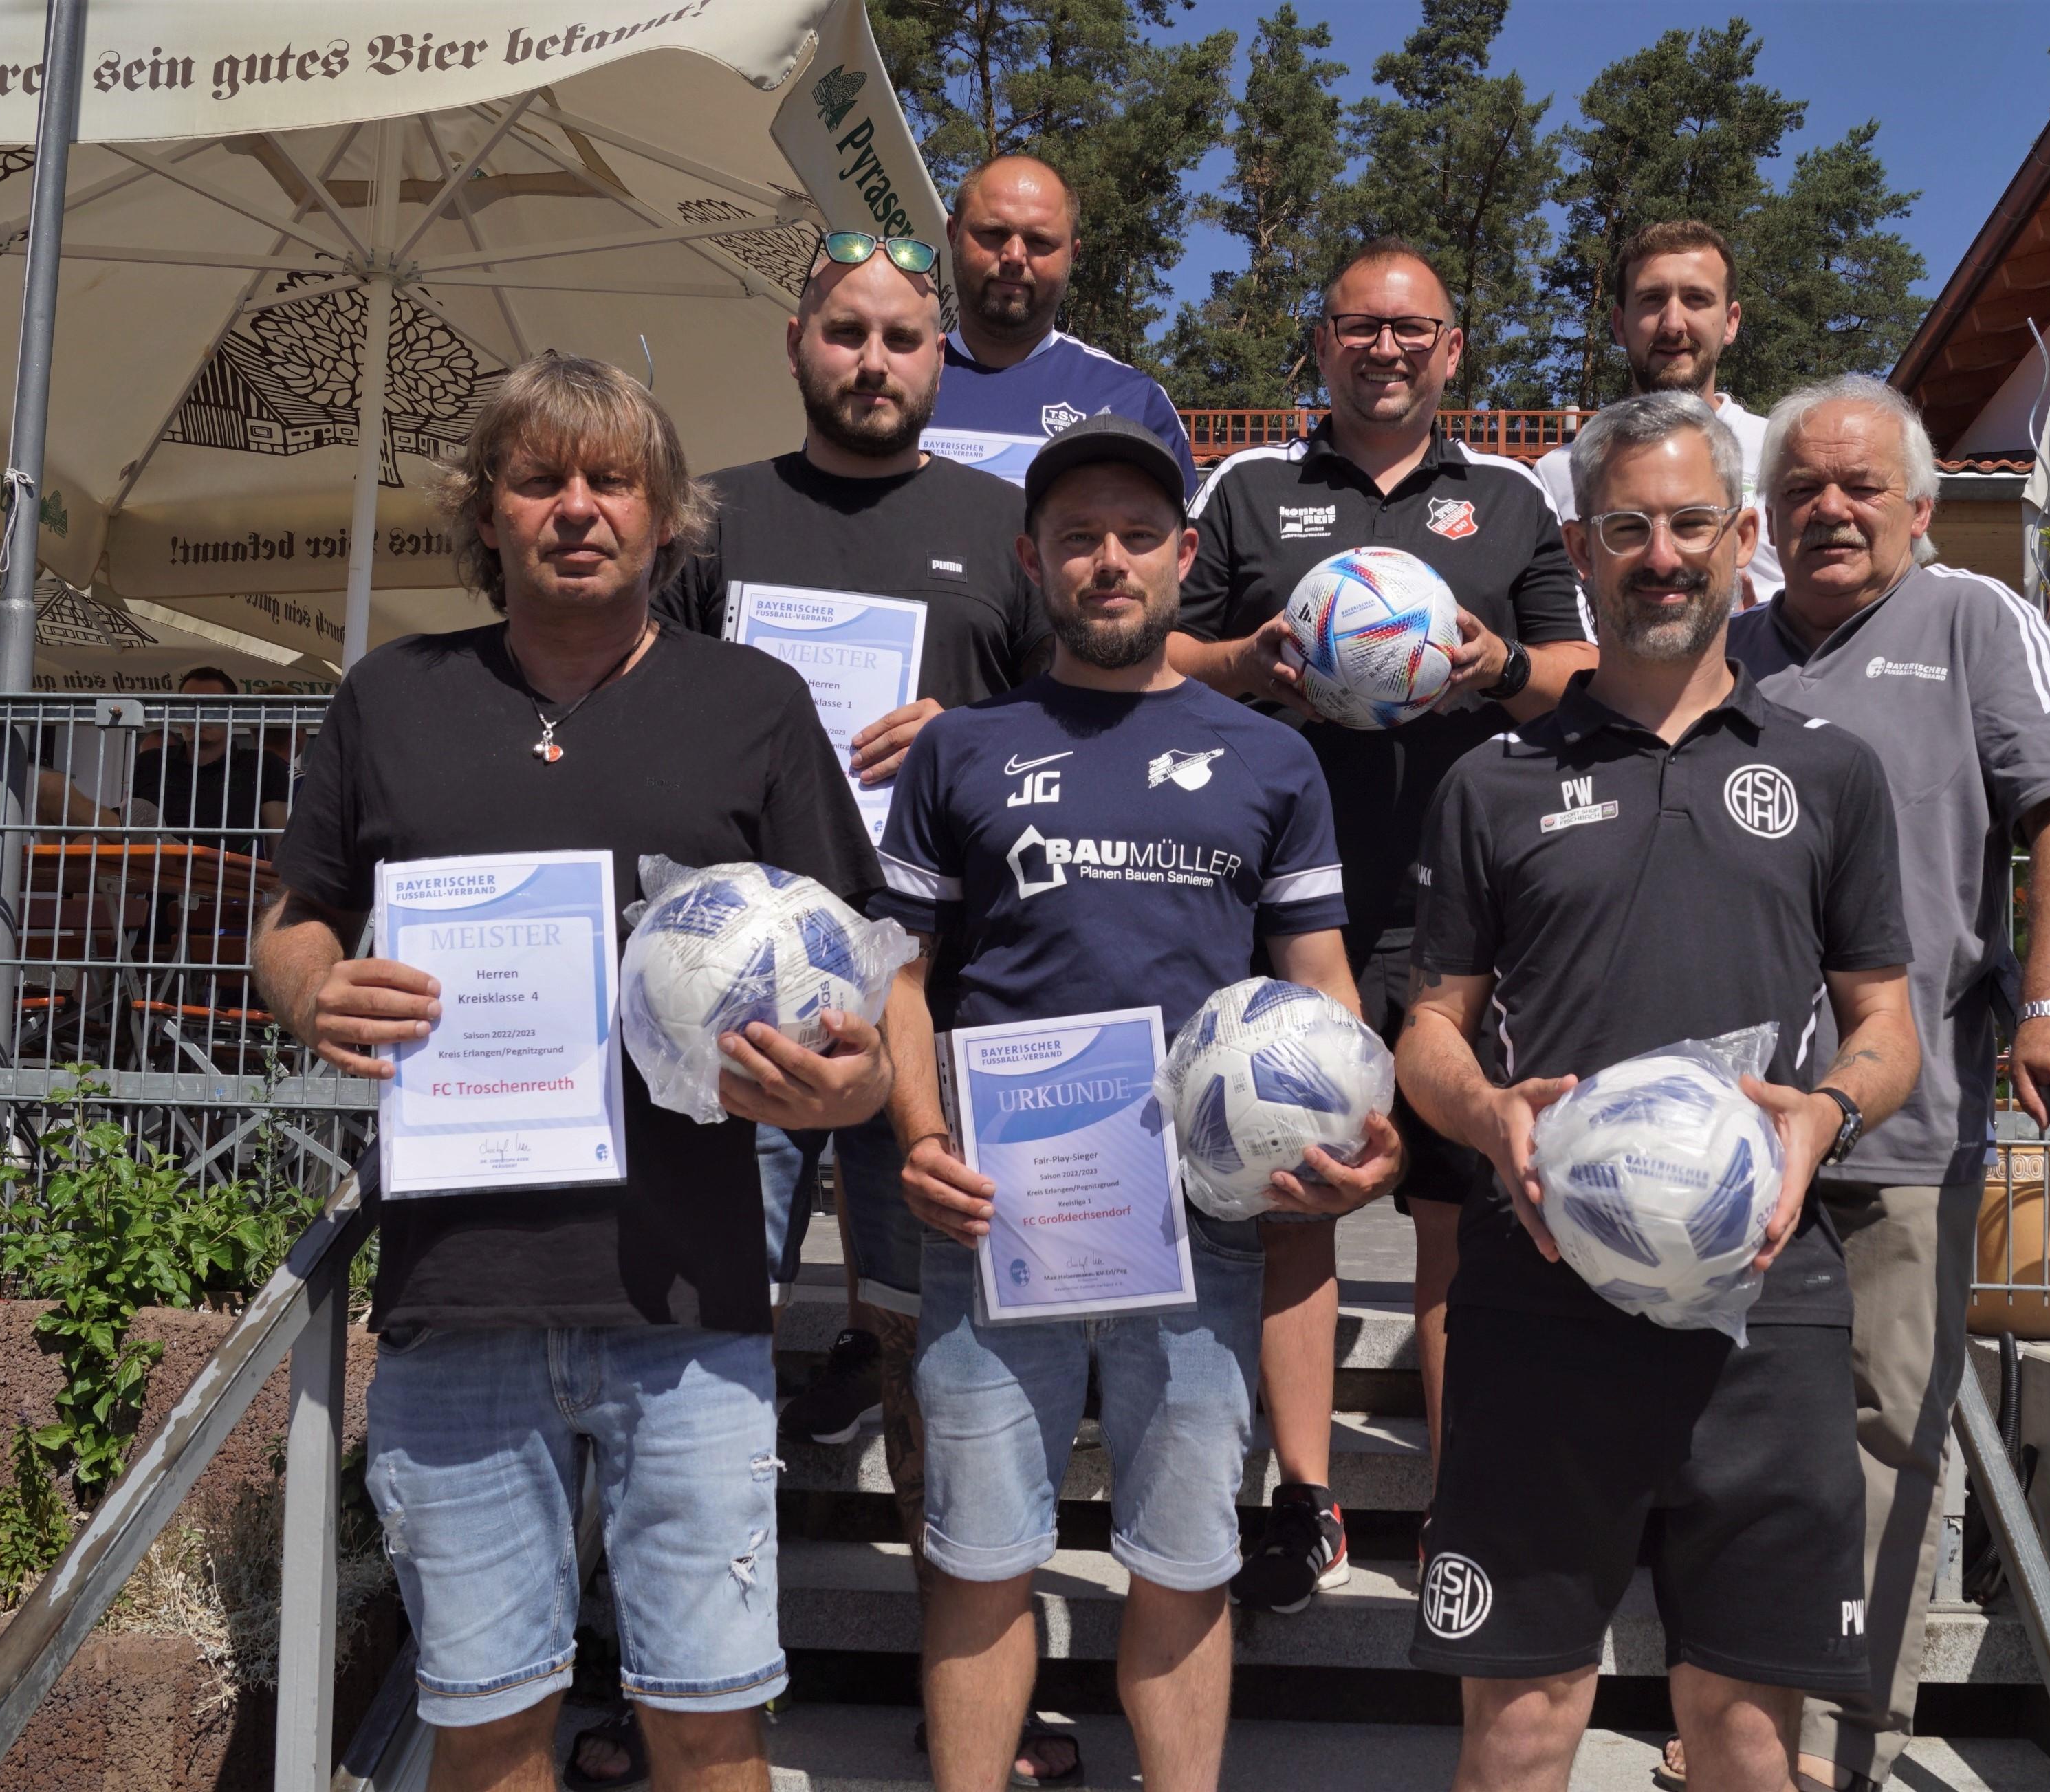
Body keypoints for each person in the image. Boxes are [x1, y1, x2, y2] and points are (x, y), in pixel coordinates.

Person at [252, 351, 892, 1792]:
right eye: (540, 479)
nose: (579, 507)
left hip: (688, 1295)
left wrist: (848, 1089)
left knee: (709, 1719)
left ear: (671, 517)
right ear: (485, 513)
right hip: (458, 1287)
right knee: (483, 1723)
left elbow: (859, 981)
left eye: (614, 480)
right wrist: (311, 989)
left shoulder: (754, 702)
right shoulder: (389, 697)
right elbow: (290, 919)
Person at [1396, 389, 1921, 1792]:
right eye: (1627, 526)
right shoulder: (1491, 782)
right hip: (1537, 1295)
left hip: (1764, 1300)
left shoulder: (1827, 773)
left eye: (1692, 522)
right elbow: (1427, 1033)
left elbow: (1885, 1024)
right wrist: (1485, 1111)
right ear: (1580, 545)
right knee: (1519, 1722)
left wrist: (1825, 1113)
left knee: (1747, 1734)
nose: (1662, 554)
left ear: (1741, 537)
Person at [881, 415, 1403, 1792]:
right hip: (1003, 1222)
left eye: (1133, 536)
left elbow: (1318, 979)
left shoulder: (1269, 760)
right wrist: (920, 1138)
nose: (1106, 561)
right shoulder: (962, 751)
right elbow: (901, 971)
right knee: (981, 1556)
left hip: (1198, 1228)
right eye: (1075, 539)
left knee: (1182, 1564)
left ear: (1183, 555)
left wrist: (1361, 1128)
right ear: (1031, 561)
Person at [1173, 237, 1595, 1615]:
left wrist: (1504, 666)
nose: (1387, 349)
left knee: (1450, 1211)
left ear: (1453, 349)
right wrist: (1243, 665)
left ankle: (1460, 1488)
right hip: (1287, 907)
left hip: (1469, 915)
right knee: (1296, 1196)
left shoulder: (1515, 499)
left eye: (1413, 328)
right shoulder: (1247, 491)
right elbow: (1159, 652)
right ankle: (1305, 1495)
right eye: (1360, 327)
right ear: (1324, 343)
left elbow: (1584, 671)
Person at [1723, 373, 2050, 1792]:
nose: (1828, 509)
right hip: (1724, 1133)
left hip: (1907, 1117)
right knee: (1736, 1443)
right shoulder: (1729, 646)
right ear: (1766, 514)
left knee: (1888, 1430)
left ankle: (1841, 1742)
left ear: (1918, 503)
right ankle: (1734, 1732)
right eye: (1801, 491)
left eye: (1858, 487)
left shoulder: (1971, 621)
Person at [653, 228, 1050, 1489]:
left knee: (928, 1314)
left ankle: (950, 1598)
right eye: (845, 332)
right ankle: (695, 1622)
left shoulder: (1011, 530)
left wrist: (973, 729)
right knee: (714, 1307)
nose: (872, 360)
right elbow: (642, 708)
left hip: (934, 985)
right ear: (795, 346)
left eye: (900, 338)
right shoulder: (710, 520)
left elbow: (1085, 718)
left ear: (940, 356)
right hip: (746, 990)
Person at [918, 155, 1198, 492]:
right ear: (953, 236)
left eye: (1040, 241)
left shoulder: (1134, 402)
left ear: (1073, 255)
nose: (1015, 256)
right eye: (993, 233)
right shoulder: (888, 385)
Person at [1539, 221, 1783, 606]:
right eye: (1652, 299)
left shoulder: (1784, 453)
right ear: (1620, 325)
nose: (1673, 324)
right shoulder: (1557, 475)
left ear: (1731, 322)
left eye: (1696, 299)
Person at [126, 665, 292, 858]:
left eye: (211, 706)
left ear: (232, 713)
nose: (197, 714)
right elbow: (128, 826)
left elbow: (280, 849)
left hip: (232, 884)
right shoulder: (151, 763)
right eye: (188, 705)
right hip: (157, 884)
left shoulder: (263, 766)